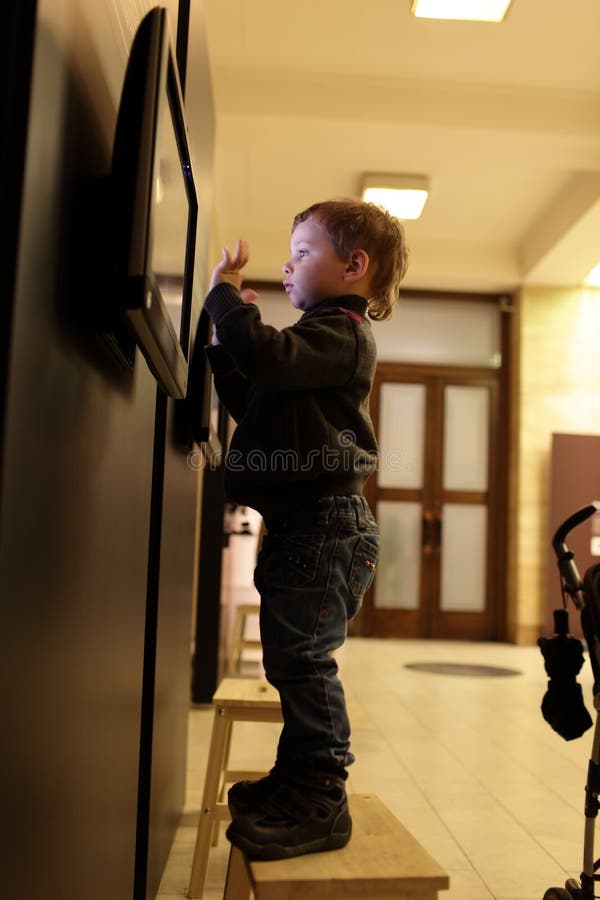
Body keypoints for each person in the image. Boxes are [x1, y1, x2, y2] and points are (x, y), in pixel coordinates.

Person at [202, 199, 408, 860]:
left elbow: (269, 357)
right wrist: (220, 345)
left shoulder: (341, 333)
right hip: (306, 530)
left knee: (303, 661)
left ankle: (321, 797)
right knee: (289, 660)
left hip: (328, 529)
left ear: (354, 266)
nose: (288, 266)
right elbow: (257, 397)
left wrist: (227, 303)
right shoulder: (312, 347)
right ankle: (296, 780)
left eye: (303, 253)